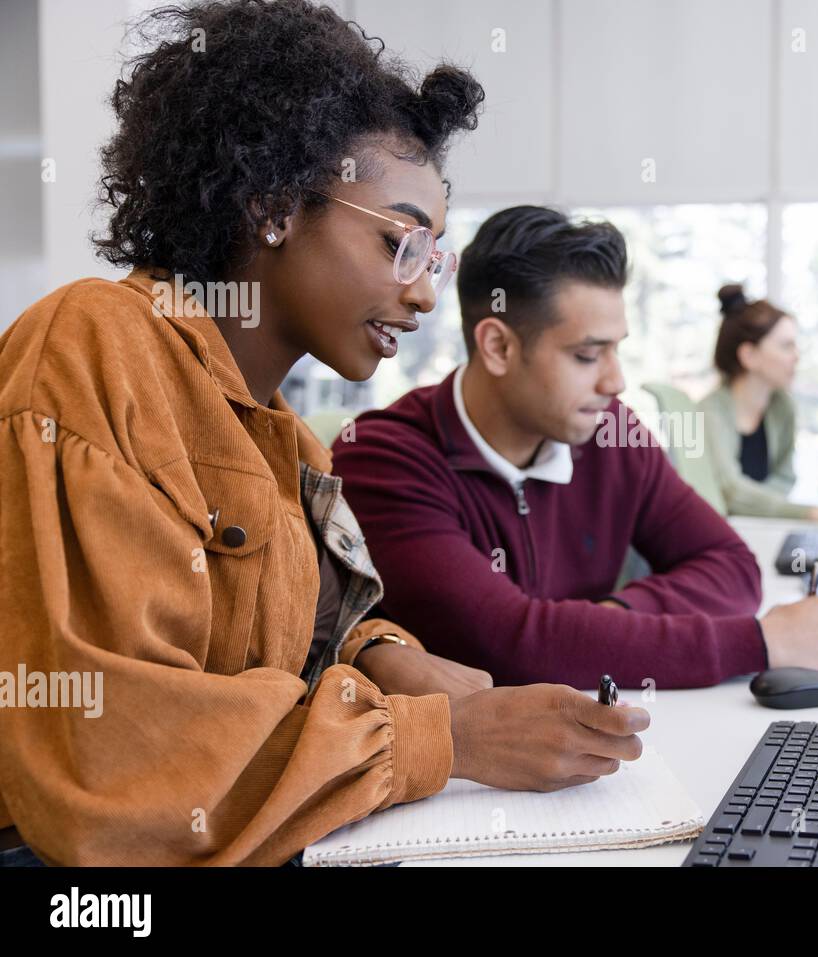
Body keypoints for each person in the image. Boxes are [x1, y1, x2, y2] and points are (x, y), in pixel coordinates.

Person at [0, 0, 646, 867]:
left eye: (435, 258)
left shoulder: (289, 443)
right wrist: (442, 735)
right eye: (401, 242)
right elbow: (109, 750)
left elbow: (297, 636)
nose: (423, 293)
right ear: (272, 206)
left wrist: (381, 654)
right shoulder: (92, 344)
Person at [331, 206, 818, 689]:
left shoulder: (609, 431)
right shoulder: (383, 460)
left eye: (616, 349)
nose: (616, 382)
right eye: (587, 355)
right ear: (499, 347)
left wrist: (608, 624)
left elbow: (731, 566)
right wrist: (760, 643)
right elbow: (511, 645)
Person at [699, 284, 818, 526]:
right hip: (726, 533)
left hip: (756, 526)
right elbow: (731, 491)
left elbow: (786, 477)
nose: (796, 356)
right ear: (749, 356)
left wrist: (765, 507)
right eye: (786, 346)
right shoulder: (709, 413)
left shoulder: (781, 405)